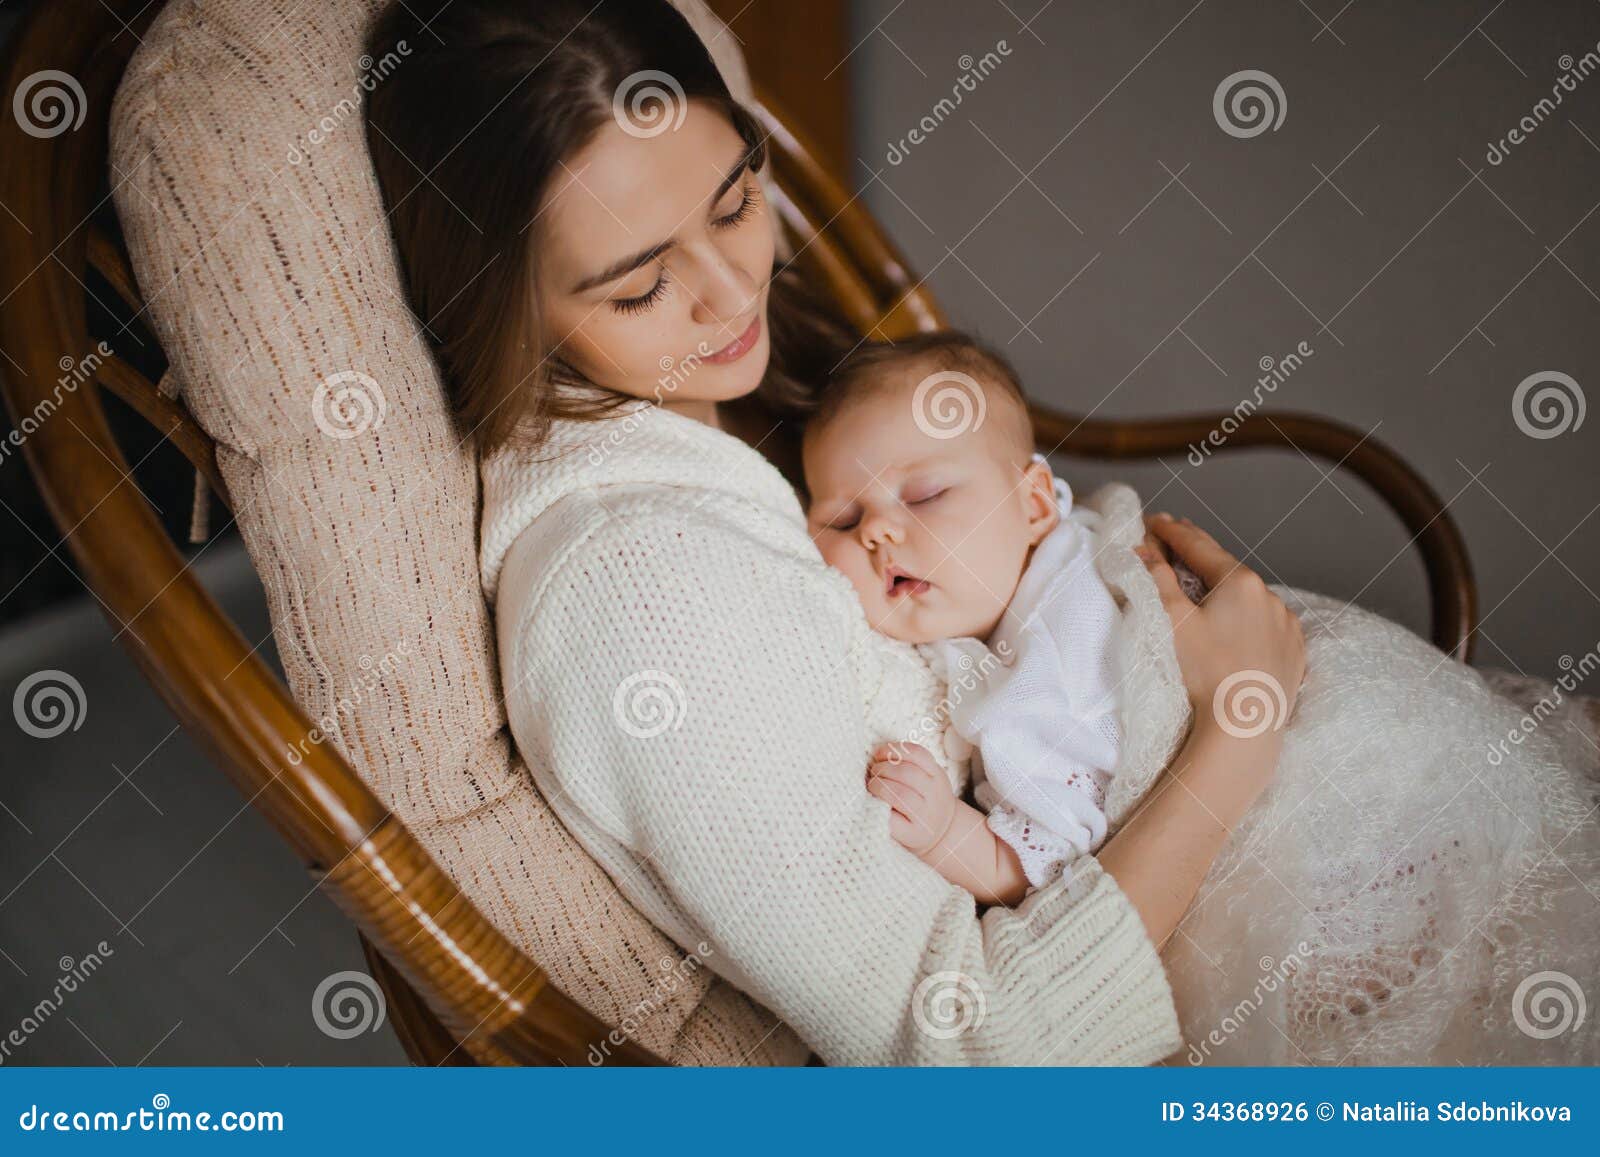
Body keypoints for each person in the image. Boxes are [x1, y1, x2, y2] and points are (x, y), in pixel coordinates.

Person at [365, 0, 1305, 1065]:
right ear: (504, 306)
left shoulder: (733, 407)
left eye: (734, 204)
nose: (732, 296)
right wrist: (1239, 727)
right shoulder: (640, 596)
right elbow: (984, 1057)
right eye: (640, 285)